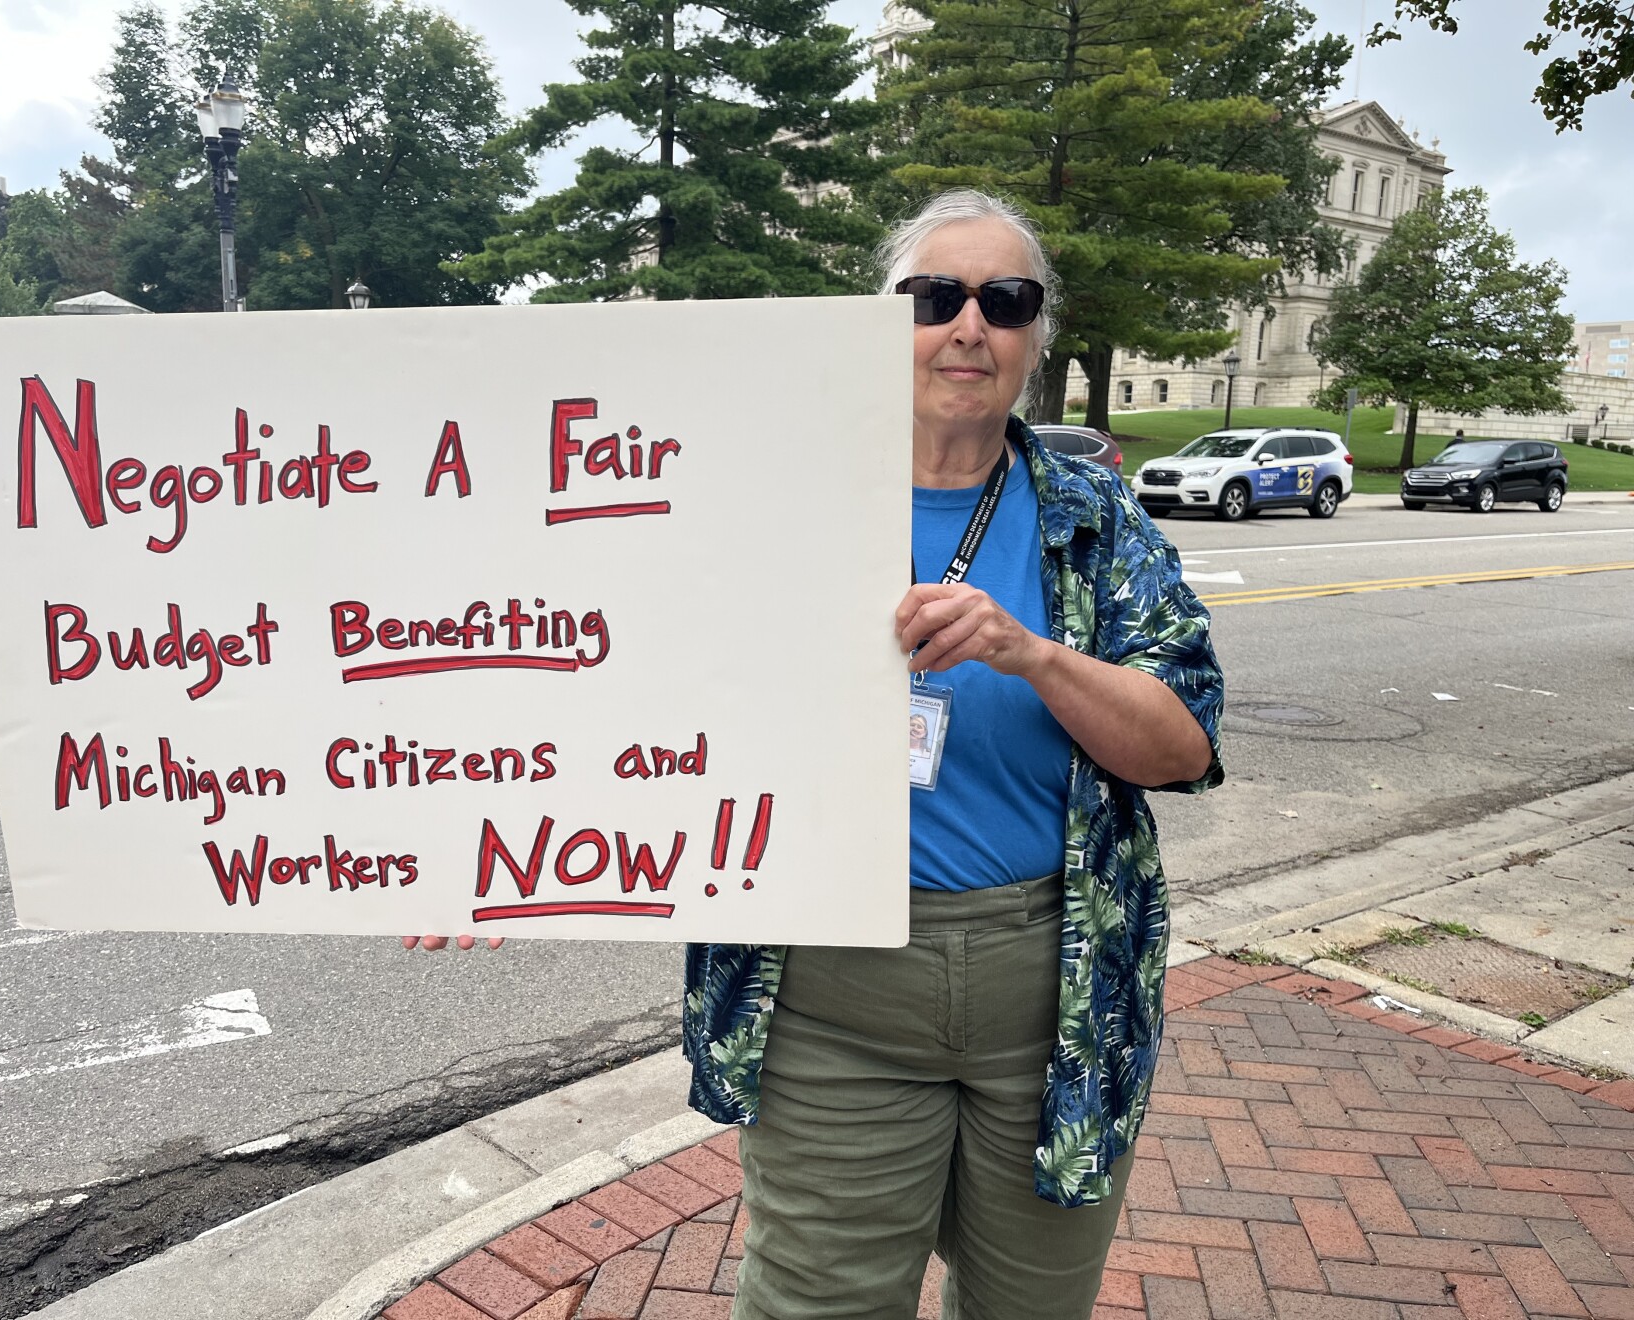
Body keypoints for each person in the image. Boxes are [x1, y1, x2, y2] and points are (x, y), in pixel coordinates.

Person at [411, 188, 1224, 1320]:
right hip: (827, 994)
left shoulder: (1090, 518)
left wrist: (1031, 654)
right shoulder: (762, 500)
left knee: (1030, 1308)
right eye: (933, 297)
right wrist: (488, 855)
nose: (967, 326)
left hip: (1054, 997)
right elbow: (616, 679)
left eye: (1006, 299)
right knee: (815, 1305)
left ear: (1037, 332)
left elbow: (1180, 747)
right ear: (880, 320)